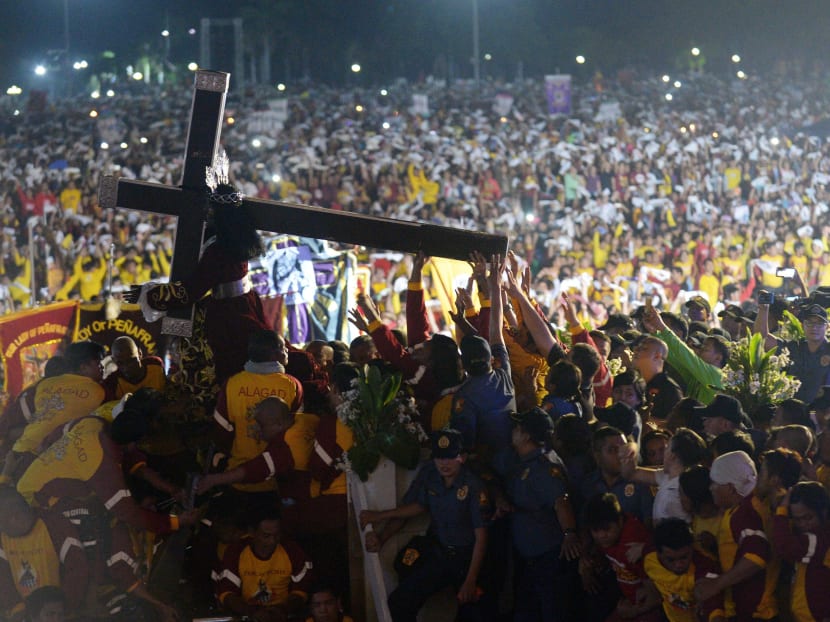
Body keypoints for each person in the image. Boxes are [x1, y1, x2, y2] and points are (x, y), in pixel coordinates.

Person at [129, 158, 271, 382]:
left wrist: (150, 294)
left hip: (228, 316)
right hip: (247, 303)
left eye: (211, 211)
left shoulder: (219, 249)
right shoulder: (237, 239)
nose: (206, 216)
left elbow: (191, 291)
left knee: (221, 368)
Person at [360, 429, 492, 622]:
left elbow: (481, 537)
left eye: (449, 457)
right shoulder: (431, 474)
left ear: (462, 458)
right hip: (440, 552)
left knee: (472, 611)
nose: (443, 463)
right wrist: (380, 518)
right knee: (399, 602)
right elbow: (418, 506)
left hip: (467, 558)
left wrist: (470, 581)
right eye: (439, 457)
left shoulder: (473, 486)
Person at [492, 408, 580, 622]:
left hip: (547, 554)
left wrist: (569, 534)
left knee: (551, 610)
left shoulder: (544, 466)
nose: (513, 431)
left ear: (526, 435)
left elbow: (561, 501)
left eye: (517, 428)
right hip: (529, 554)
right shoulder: (521, 459)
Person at [212, 329, 303, 505]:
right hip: (276, 479)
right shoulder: (292, 385)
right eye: (284, 347)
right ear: (274, 353)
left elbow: (221, 432)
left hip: (237, 476)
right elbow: (296, 436)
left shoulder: (233, 383)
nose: (287, 352)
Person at [2, 341, 107, 482]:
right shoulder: (98, 391)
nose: (103, 368)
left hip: (20, 451)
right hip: (53, 459)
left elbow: (9, 422)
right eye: (99, 364)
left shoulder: (44, 384)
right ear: (83, 367)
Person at [695, 451, 778, 622]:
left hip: (754, 611)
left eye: (715, 483)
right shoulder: (744, 506)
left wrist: (716, 585)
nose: (711, 488)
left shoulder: (745, 514)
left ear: (731, 488)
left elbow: (757, 555)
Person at [451, 254, 516, 462]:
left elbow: (465, 442)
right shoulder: (503, 373)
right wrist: (495, 286)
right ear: (491, 359)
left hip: (486, 468)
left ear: (463, 365)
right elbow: (496, 329)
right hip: (514, 458)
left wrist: (461, 321)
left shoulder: (464, 396)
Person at [0, 487, 87, 621]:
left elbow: (78, 567)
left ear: (15, 516)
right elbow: (3, 579)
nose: (3, 530)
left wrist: (63, 610)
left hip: (63, 611)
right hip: (27, 615)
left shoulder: (53, 523)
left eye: (3, 524)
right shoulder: (2, 536)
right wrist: (17, 608)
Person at [215, 506, 313, 621]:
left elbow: (302, 590)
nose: (272, 541)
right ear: (252, 532)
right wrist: (252, 612)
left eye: (277, 535)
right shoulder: (236, 551)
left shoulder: (291, 549)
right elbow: (227, 593)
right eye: (266, 536)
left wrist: (282, 609)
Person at [584, 493, 662, 622]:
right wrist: (586, 567)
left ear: (620, 521)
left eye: (606, 529)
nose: (602, 535)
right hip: (630, 601)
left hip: (651, 606)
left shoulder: (632, 544)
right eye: (596, 531)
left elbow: (657, 594)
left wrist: (634, 611)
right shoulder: (606, 539)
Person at [643, 518, 727, 622]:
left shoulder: (705, 567)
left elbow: (713, 604)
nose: (678, 565)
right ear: (658, 553)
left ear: (692, 548)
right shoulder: (648, 555)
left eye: (684, 557)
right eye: (671, 560)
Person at [620, 427, 707, 523]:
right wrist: (632, 449)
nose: (662, 455)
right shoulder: (666, 477)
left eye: (666, 448)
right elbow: (631, 474)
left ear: (672, 455)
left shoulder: (681, 490)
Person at [641, 304, 724, 405]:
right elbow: (672, 357)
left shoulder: (717, 375)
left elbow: (685, 355)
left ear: (718, 357)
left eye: (705, 349)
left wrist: (663, 328)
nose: (700, 350)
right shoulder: (696, 376)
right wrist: (654, 332)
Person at [772, 481, 830, 622]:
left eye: (808, 517)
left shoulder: (820, 539)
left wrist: (782, 510)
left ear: (824, 511)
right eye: (797, 520)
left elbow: (784, 547)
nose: (803, 524)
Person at [757, 300, 830, 404]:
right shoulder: (794, 347)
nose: (814, 327)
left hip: (823, 415)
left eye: (819, 323)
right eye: (809, 323)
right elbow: (762, 339)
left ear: (827, 327)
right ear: (802, 325)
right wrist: (763, 309)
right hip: (794, 412)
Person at [631, 335, 683, 425]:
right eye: (637, 348)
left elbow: (676, 424)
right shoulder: (634, 383)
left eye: (644, 349)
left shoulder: (670, 389)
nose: (636, 351)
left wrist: (642, 419)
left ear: (657, 356)